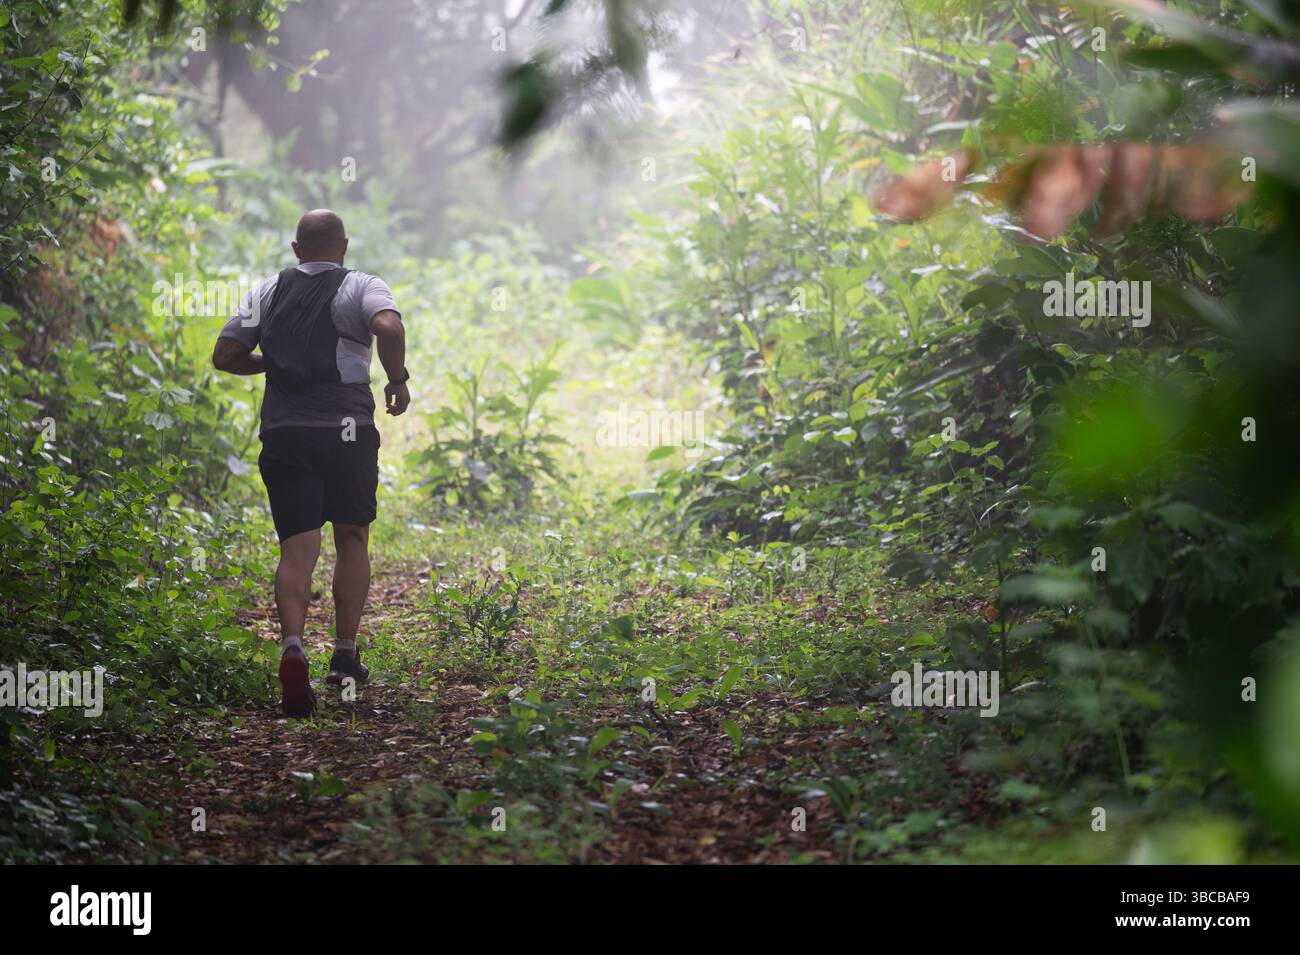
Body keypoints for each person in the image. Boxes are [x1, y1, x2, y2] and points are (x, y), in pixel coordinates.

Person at [212, 209, 410, 716]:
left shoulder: (267, 291)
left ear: (297, 249)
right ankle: (344, 655)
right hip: (348, 433)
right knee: (352, 537)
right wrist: (396, 376)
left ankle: (294, 645)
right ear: (343, 246)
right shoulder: (362, 285)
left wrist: (271, 365)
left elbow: (226, 354)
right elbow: (387, 325)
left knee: (297, 550)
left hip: (286, 434)